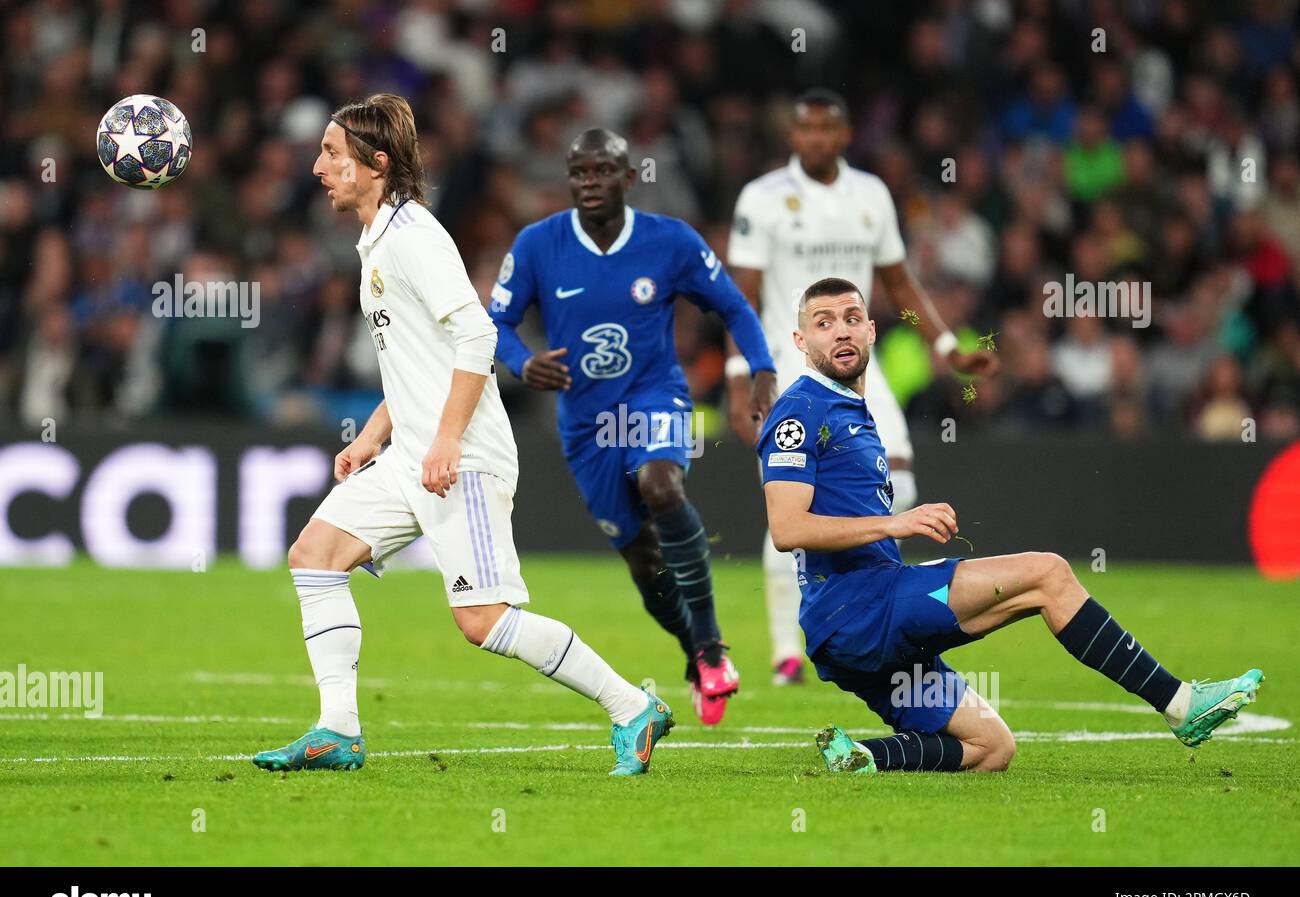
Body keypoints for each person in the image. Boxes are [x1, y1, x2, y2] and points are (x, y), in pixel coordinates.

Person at [253, 95, 672, 776]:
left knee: (483, 621)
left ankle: (632, 707)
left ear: (376, 164)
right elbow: (418, 358)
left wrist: (446, 441)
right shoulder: (377, 241)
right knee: (315, 557)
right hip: (412, 452)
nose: (317, 167)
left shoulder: (413, 236)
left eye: (332, 154)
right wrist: (375, 437)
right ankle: (337, 730)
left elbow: (477, 334)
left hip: (461, 457)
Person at [758, 277, 1263, 774]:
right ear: (801, 342)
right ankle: (1180, 703)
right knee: (1048, 574)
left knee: (991, 747)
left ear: (871, 331)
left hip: (857, 631)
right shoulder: (799, 413)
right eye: (824, 324)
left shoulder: (852, 408)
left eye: (851, 319)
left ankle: (864, 757)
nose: (840, 332)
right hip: (860, 610)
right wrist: (895, 524)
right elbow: (787, 529)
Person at [491, 128, 777, 724]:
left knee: (660, 485)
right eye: (579, 173)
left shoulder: (668, 241)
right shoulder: (539, 244)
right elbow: (496, 322)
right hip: (585, 424)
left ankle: (711, 645)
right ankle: (693, 653)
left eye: (602, 172)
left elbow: (733, 306)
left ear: (628, 177)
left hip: (653, 399)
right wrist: (523, 361)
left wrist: (763, 369)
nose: (589, 183)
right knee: (644, 562)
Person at [726, 89, 997, 685]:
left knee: (897, 484)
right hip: (790, 370)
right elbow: (740, 295)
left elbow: (900, 284)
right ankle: (785, 652)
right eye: (805, 129)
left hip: (857, 370)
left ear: (846, 134)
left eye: (827, 128)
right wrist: (740, 373)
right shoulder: (763, 198)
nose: (816, 139)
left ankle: (866, 606)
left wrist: (949, 348)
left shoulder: (871, 195)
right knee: (792, 509)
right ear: (793, 136)